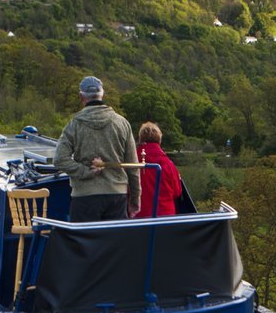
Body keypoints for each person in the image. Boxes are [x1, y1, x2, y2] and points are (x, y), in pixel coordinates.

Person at [54, 76, 140, 221]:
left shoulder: (74, 125)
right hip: (116, 195)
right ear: (102, 94)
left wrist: (86, 172)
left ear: (81, 97)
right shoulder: (122, 123)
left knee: (83, 242)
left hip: (84, 197)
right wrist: (135, 199)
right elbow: (133, 166)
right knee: (115, 243)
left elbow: (60, 160)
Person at [135, 122, 188, 217]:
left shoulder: (133, 161)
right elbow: (177, 192)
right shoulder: (168, 164)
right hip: (165, 217)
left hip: (139, 217)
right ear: (159, 140)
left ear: (141, 138)